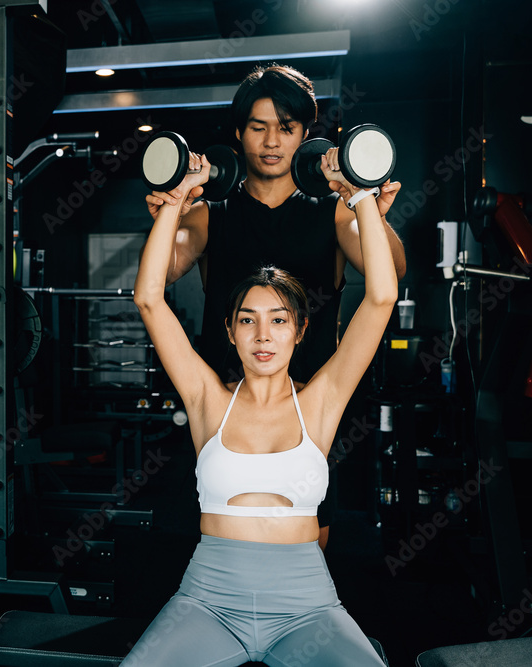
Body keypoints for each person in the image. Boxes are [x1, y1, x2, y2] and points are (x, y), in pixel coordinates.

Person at [123, 146, 396, 666]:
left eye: (278, 320)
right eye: (247, 319)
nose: (263, 335)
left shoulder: (322, 402)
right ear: (229, 331)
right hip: (208, 602)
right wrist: (177, 203)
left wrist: (359, 195)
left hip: (306, 607)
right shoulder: (208, 402)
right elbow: (149, 299)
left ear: (299, 331)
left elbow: (381, 297)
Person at [144, 65, 406, 547]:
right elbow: (158, 280)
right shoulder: (208, 212)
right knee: (216, 530)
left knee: (305, 536)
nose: (271, 141)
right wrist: (169, 216)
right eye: (258, 127)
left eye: (285, 128)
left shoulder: (333, 210)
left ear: (305, 135)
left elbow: (389, 273)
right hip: (221, 404)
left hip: (310, 405)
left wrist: (368, 210)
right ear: (239, 134)